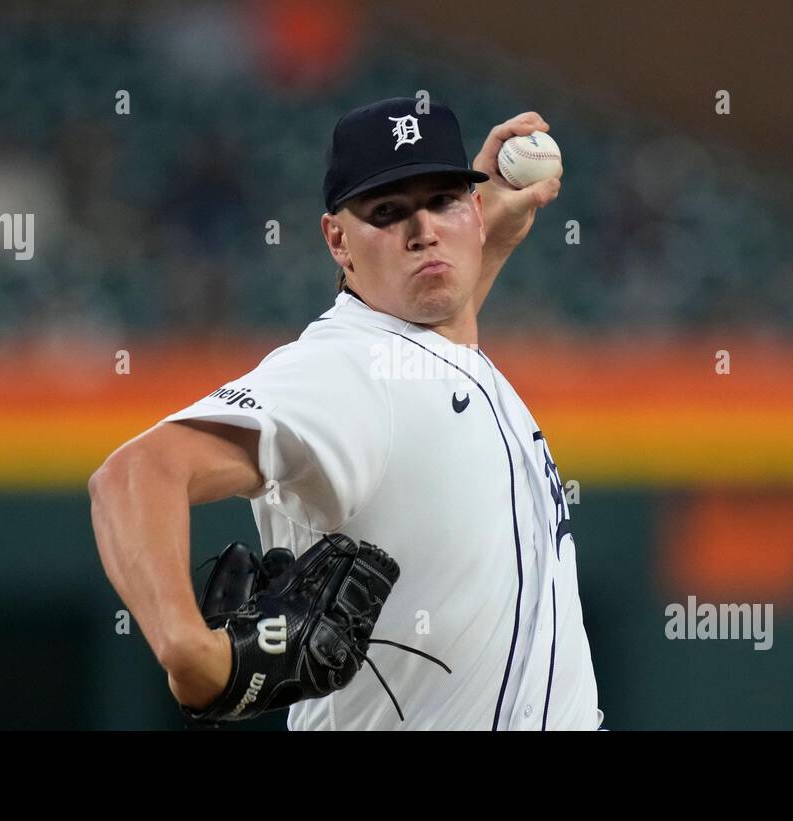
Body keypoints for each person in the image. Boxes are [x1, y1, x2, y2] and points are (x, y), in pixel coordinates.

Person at [89, 97, 601, 730]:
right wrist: (191, 650)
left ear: (473, 210)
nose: (423, 231)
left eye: (443, 200)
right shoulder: (347, 368)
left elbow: (440, 347)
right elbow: (134, 475)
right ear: (337, 239)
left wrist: (487, 229)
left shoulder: (434, 352)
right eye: (386, 213)